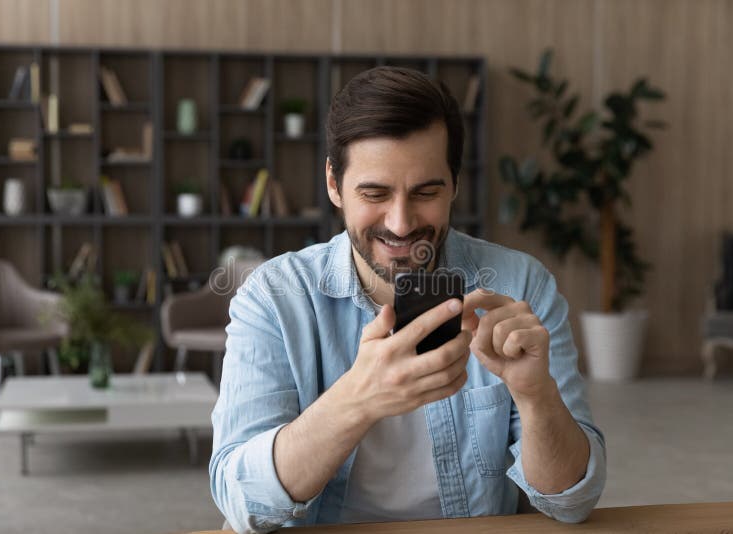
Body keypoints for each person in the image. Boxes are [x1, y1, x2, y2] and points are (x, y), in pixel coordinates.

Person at [209, 66, 606, 533]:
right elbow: (241, 502)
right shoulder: (274, 297)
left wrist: (537, 397)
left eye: (426, 192)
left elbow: (572, 501)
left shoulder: (521, 285)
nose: (400, 224)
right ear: (334, 185)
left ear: (455, 184)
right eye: (374, 193)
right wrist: (359, 400)